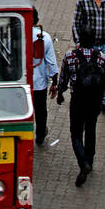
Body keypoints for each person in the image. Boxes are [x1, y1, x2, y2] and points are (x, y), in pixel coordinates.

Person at [52, 29, 105, 186]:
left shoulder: (70, 56)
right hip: (95, 101)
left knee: (75, 134)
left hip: (78, 101)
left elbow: (63, 79)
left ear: (79, 40)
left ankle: (83, 163)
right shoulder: (100, 59)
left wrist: (60, 94)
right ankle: (90, 160)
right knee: (91, 129)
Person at [31, 8, 58, 145]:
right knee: (41, 110)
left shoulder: (15, 33)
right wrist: (55, 82)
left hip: (21, 83)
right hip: (39, 83)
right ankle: (40, 134)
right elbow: (51, 62)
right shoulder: (44, 37)